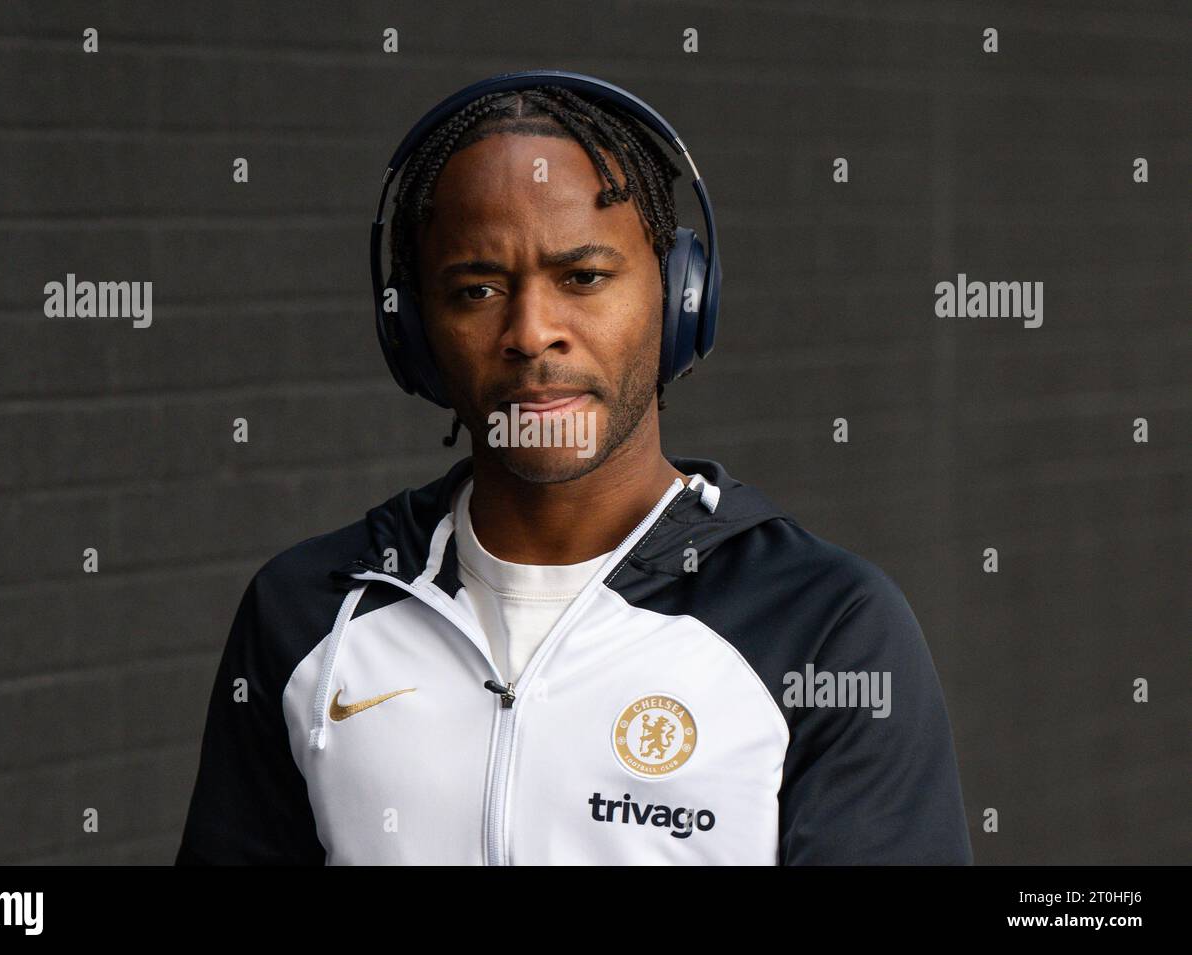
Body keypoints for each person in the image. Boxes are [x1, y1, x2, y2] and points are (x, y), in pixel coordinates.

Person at [176, 72, 973, 865]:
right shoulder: (308, 613)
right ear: (415, 334)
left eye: (583, 277)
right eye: (477, 288)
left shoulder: (824, 627)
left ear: (680, 297)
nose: (531, 332)